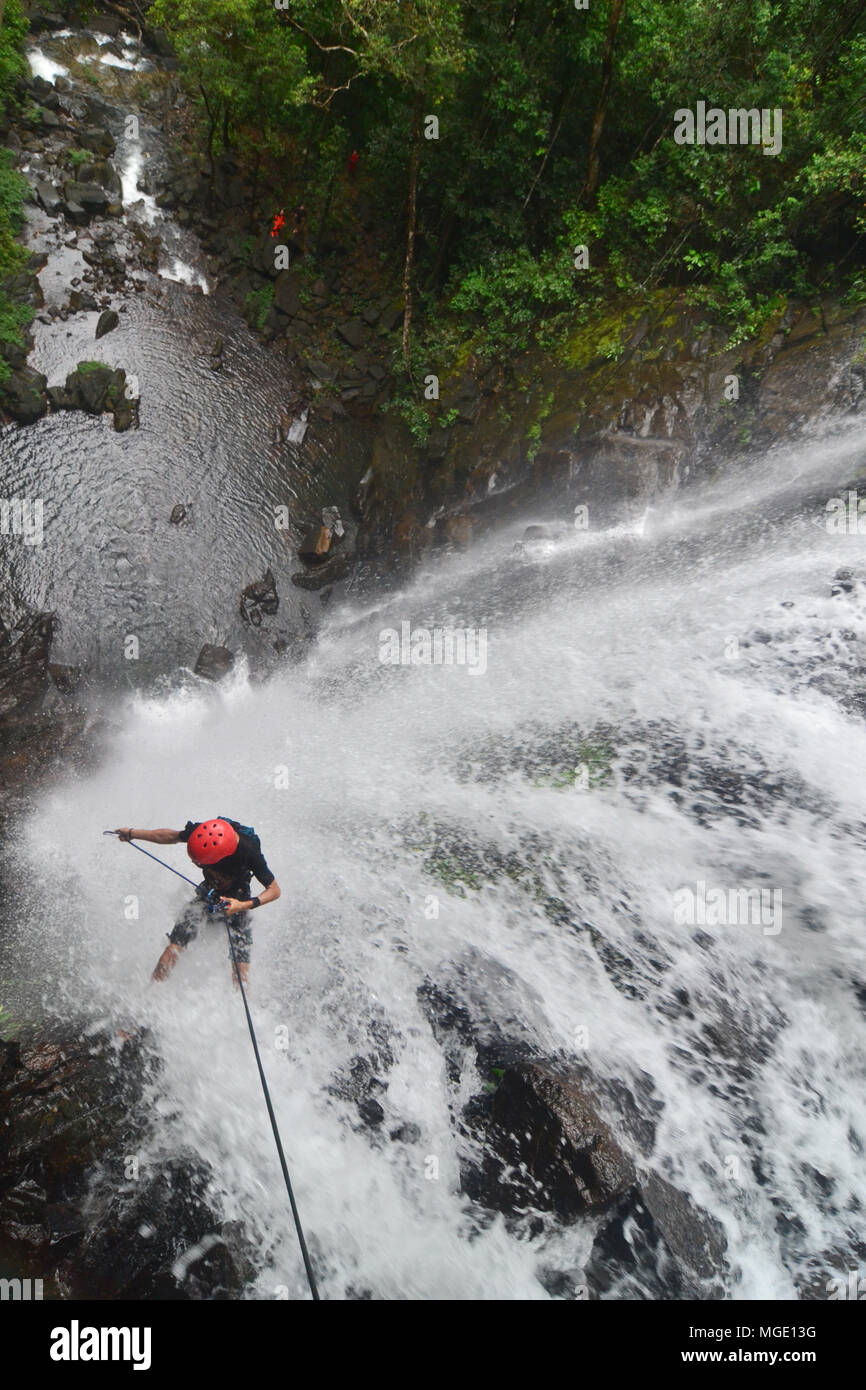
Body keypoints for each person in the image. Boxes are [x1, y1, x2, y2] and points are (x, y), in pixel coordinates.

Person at [112, 819, 280, 987]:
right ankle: (151, 991)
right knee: (173, 947)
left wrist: (241, 905)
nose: (196, 864)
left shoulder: (248, 851)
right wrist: (132, 833)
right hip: (208, 894)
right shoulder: (202, 833)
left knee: (240, 972)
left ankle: (238, 1001)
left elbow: (274, 890)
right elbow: (170, 836)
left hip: (239, 900)